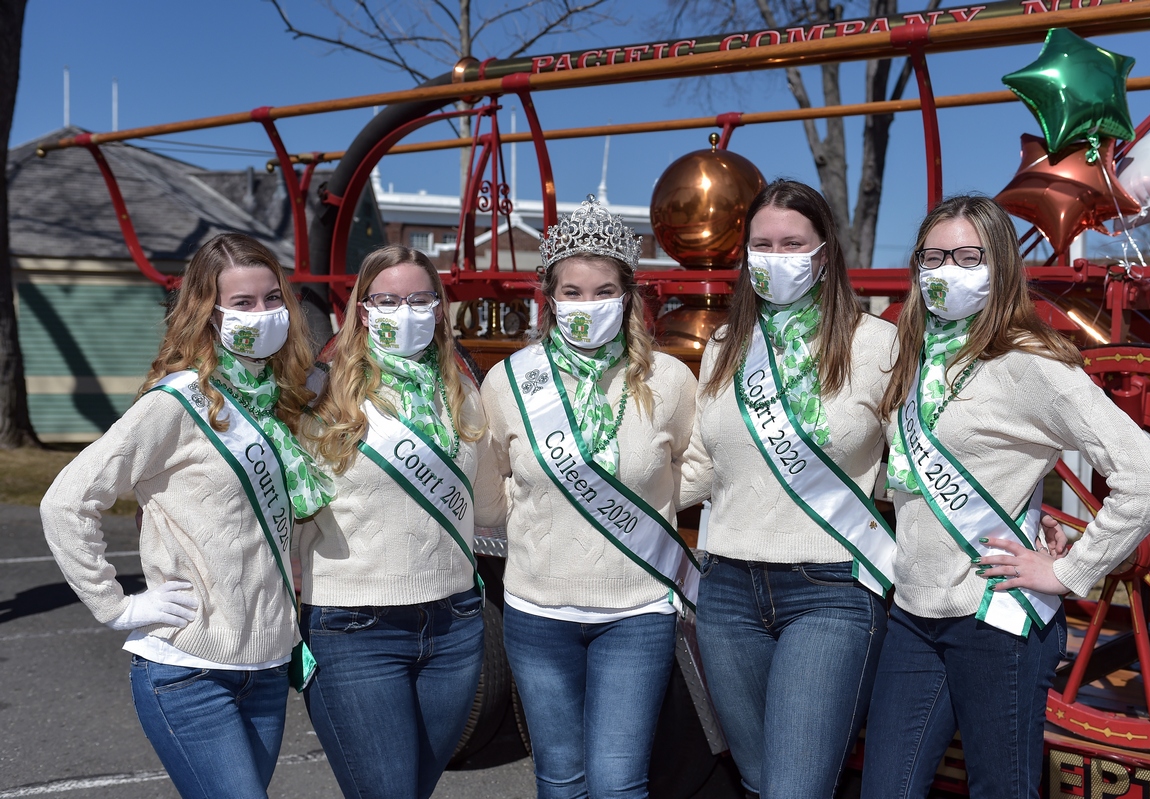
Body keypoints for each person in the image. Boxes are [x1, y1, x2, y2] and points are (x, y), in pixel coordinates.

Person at [860, 194, 1150, 799]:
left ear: (1000, 266)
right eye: (932, 257)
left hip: (994, 617)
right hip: (914, 611)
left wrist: (1068, 571)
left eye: (967, 256)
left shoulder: (1029, 364)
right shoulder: (913, 358)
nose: (946, 270)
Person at [40, 233, 331, 799]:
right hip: (189, 668)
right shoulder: (176, 404)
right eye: (243, 303)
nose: (263, 313)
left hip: (268, 665)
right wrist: (117, 605)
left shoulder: (278, 402)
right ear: (208, 313)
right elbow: (66, 501)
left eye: (272, 297)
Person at [678, 179, 897, 798]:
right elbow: (703, 464)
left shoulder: (875, 343)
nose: (776, 258)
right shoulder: (725, 346)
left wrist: (1019, 509)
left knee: (795, 788)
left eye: (792, 244)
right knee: (757, 781)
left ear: (824, 253)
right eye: (763, 245)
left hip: (831, 591)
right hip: (726, 590)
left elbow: (920, 460)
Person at [476, 195, 700, 799]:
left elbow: (701, 461)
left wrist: (649, 504)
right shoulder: (510, 381)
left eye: (603, 291)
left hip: (637, 611)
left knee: (618, 782)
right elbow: (491, 482)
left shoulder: (669, 380)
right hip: (537, 610)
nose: (586, 304)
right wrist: (543, 518)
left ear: (628, 297)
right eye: (571, 291)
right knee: (559, 778)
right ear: (549, 298)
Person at [299, 244, 489, 799]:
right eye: (387, 301)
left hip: (455, 623)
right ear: (362, 310)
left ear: (439, 308)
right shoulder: (320, 393)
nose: (404, 313)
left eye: (420, 300)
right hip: (355, 628)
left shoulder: (463, 391)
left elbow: (489, 501)